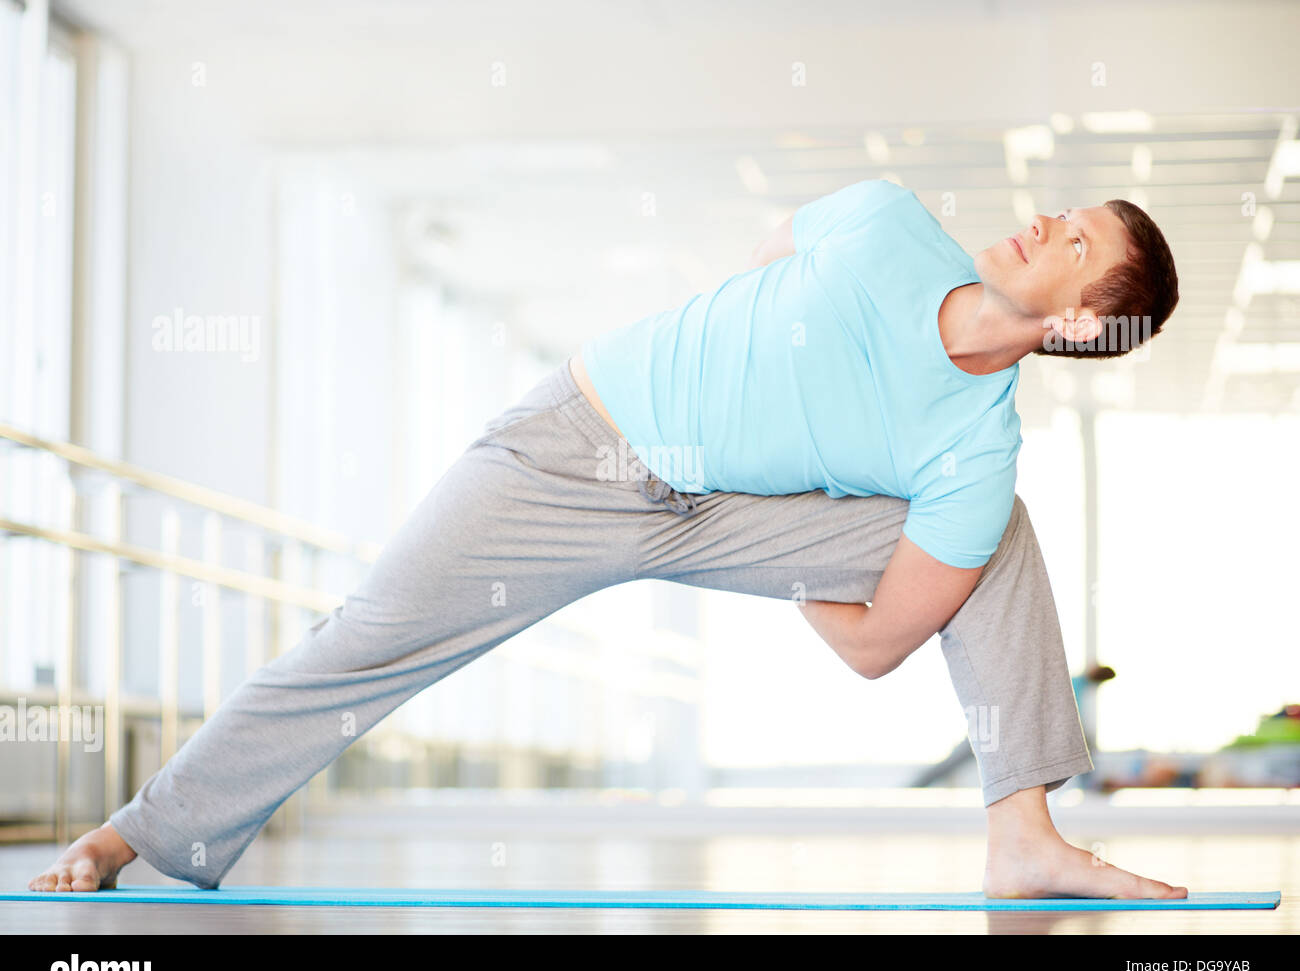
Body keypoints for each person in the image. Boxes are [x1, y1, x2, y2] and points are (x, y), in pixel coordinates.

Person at [30, 179, 1186, 899]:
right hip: (574, 446)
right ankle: (139, 831)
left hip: (722, 514)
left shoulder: (975, 454)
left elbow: (875, 643)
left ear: (1082, 322)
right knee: (367, 639)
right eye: (1065, 209)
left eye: (1074, 239)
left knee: (999, 539)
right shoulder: (887, 222)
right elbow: (773, 248)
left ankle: (1023, 835)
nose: (1044, 216)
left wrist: (777, 547)